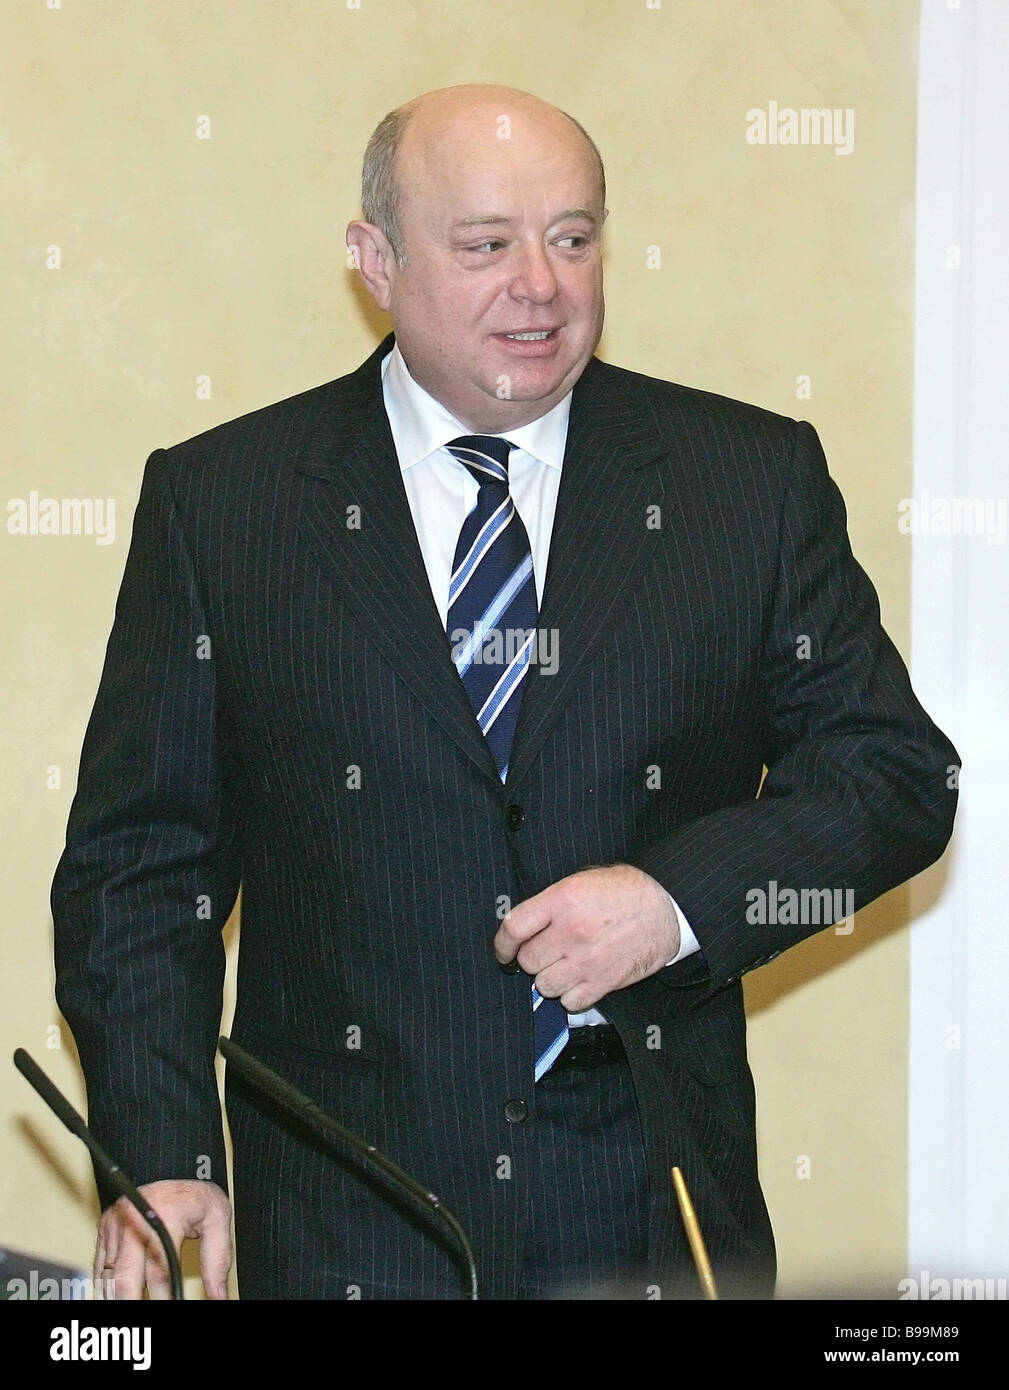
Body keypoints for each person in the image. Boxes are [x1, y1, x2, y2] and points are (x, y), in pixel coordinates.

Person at [51, 83, 959, 1301]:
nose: (540, 282)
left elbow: (893, 777)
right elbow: (139, 866)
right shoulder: (227, 506)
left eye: (572, 238)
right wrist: (161, 1156)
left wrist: (674, 902)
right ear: (375, 259)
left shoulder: (745, 483)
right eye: (486, 244)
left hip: (647, 1210)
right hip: (337, 1219)